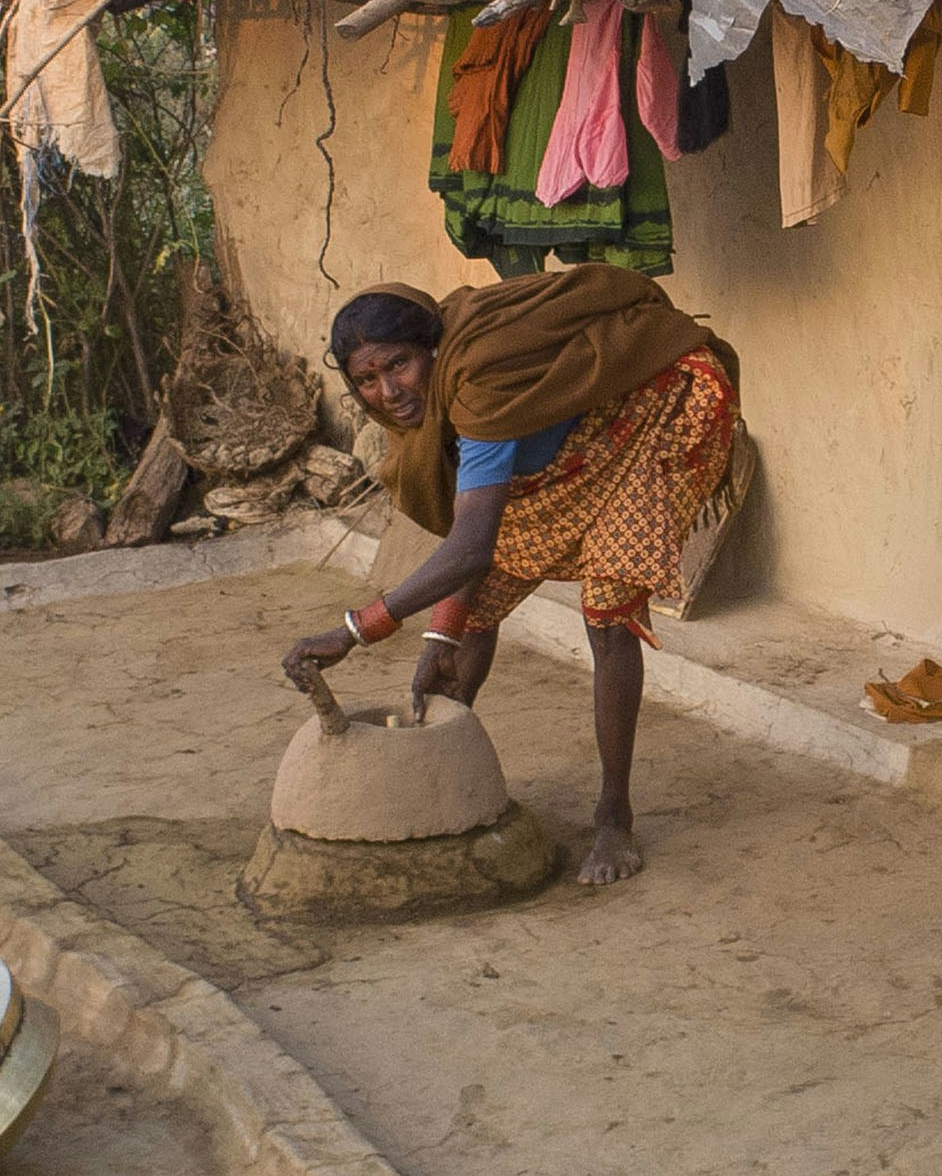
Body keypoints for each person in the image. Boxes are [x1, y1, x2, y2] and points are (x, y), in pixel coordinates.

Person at [280, 264, 736, 885]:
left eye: (398, 366)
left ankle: (613, 817)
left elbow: (470, 548)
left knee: (607, 607)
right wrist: (442, 636)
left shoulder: (478, 388)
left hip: (665, 407)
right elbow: (474, 550)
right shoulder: (434, 418)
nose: (387, 391)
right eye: (366, 379)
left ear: (433, 350)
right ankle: (440, 776)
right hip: (585, 430)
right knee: (476, 607)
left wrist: (358, 629)